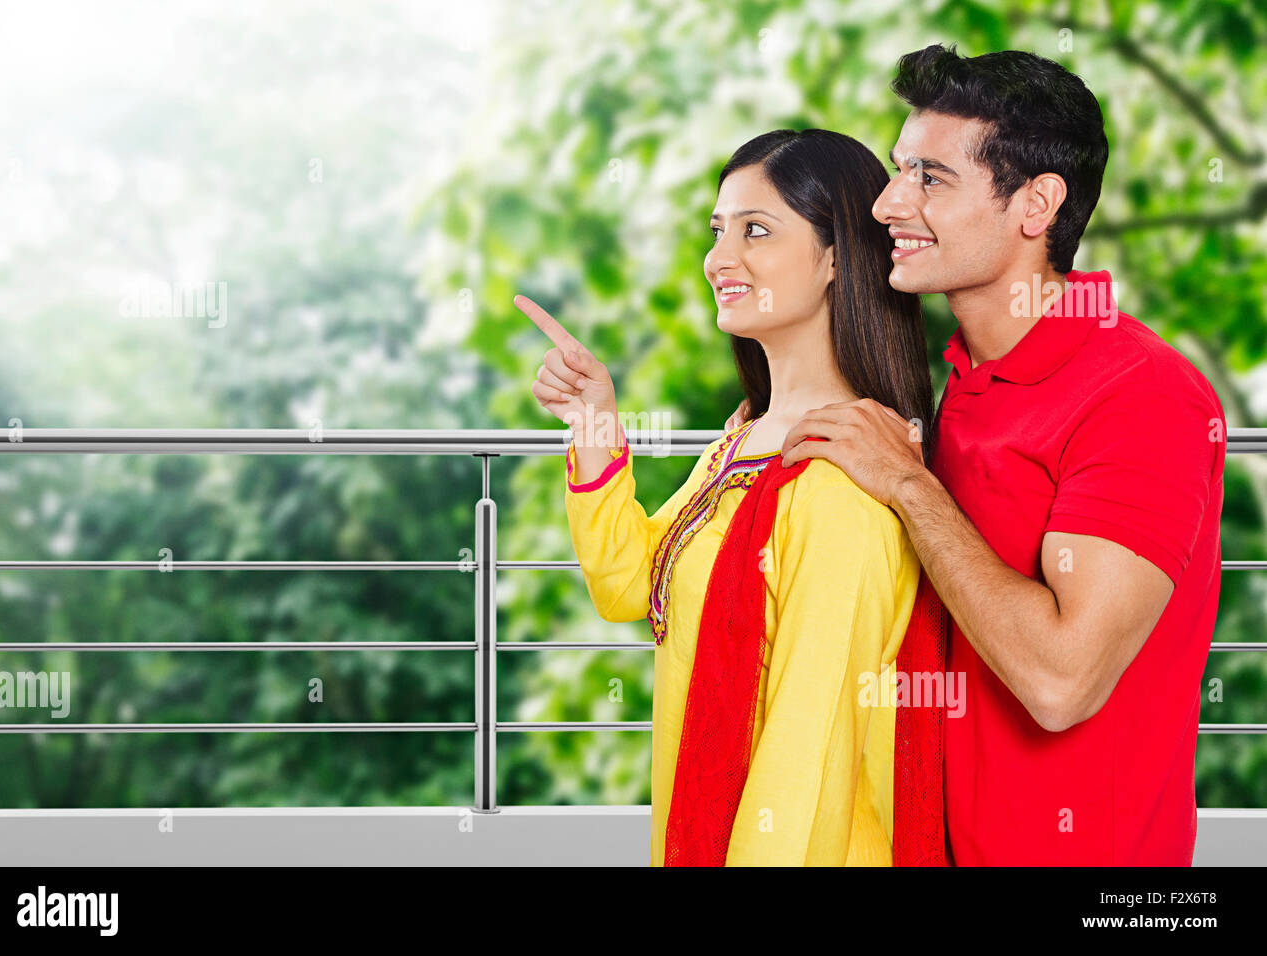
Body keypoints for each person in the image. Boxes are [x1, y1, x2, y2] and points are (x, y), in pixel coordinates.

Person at [728, 45, 1226, 865]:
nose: (888, 203)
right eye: (896, 170)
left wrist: (911, 490)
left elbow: (1063, 683)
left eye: (930, 178)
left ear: (1036, 205)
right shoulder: (963, 376)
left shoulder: (1142, 397)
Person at [517, 128, 945, 866]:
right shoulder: (744, 440)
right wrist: (593, 420)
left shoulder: (845, 477)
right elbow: (633, 588)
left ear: (838, 258)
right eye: (718, 231)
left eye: (757, 231)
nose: (720, 259)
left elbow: (805, 752)